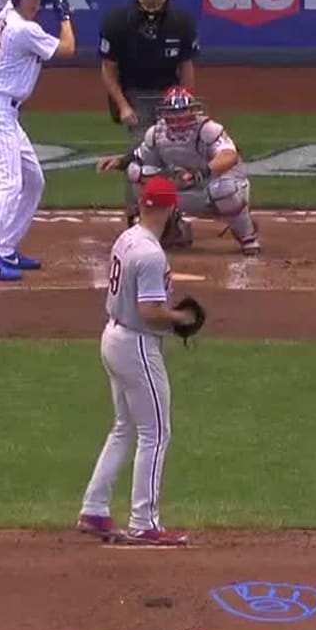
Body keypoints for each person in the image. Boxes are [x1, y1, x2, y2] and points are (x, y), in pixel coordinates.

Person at [75, 174, 199, 548]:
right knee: (156, 433)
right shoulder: (150, 253)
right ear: (170, 207)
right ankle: (144, 521)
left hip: (113, 337)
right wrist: (181, 319)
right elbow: (150, 311)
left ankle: (94, 508)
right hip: (137, 345)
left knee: (125, 427)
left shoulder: (127, 237)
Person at [0, 0, 77, 282]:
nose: (34, 3)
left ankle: (4, 246)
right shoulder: (21, 30)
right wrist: (64, 14)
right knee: (9, 183)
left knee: (33, 180)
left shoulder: (6, 15)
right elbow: (68, 49)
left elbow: (22, 5)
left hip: (5, 112)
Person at [96, 87, 260, 256]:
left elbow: (229, 156)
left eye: (183, 111)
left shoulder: (208, 129)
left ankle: (247, 236)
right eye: (173, 112)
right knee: (135, 171)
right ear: (165, 114)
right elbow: (140, 157)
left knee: (224, 189)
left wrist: (201, 173)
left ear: (192, 110)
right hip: (180, 186)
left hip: (214, 187)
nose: (178, 116)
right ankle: (172, 227)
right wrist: (120, 161)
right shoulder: (157, 133)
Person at [98, 0, 199, 229]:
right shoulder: (118, 23)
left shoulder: (181, 24)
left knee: (174, 152)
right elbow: (109, 68)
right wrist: (122, 105)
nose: (152, 3)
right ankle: (136, 215)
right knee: (142, 152)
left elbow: (186, 67)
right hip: (134, 92)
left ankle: (169, 214)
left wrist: (185, 103)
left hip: (168, 94)